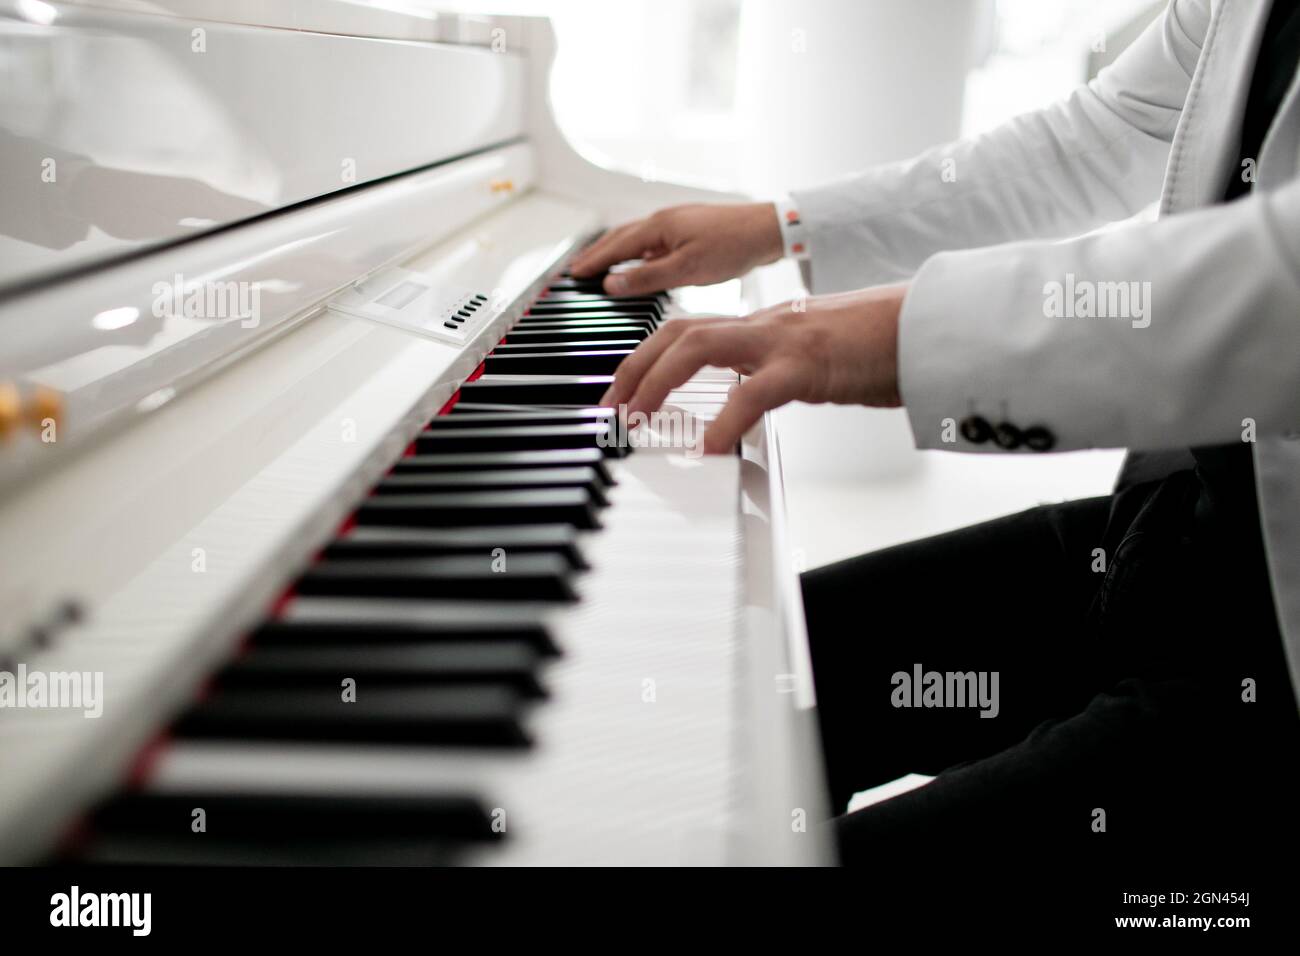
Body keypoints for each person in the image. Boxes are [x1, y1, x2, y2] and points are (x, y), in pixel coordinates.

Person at [571, 0, 1300, 878]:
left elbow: (1272, 284)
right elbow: (1108, 128)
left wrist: (873, 341)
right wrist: (781, 226)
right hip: (1185, 531)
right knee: (715, 681)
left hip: (1272, 663)